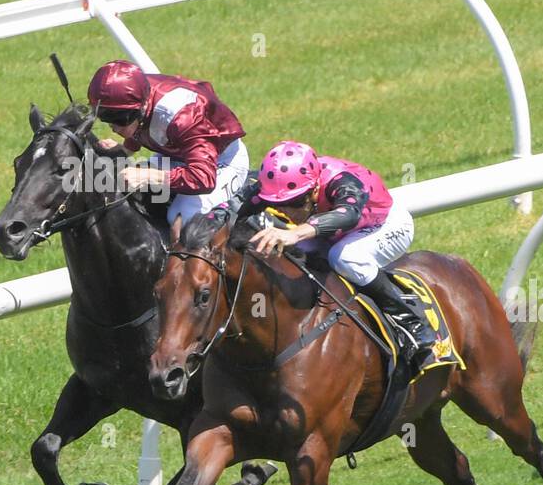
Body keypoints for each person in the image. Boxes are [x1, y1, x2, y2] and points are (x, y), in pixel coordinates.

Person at [244, 141, 438, 362]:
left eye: (295, 202)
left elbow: (349, 214)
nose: (287, 211)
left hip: (383, 224)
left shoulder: (340, 180)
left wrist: (296, 233)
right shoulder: (277, 184)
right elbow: (235, 205)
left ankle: (411, 319)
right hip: (333, 232)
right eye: (278, 204)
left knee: (345, 258)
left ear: (315, 188)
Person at [87, 60, 248, 226]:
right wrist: (125, 150)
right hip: (176, 155)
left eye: (118, 120)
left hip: (219, 164)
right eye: (105, 118)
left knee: (180, 216)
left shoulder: (183, 117)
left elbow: (203, 178)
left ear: (141, 108)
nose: (113, 128)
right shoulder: (136, 91)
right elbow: (141, 124)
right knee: (120, 188)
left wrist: (150, 175)